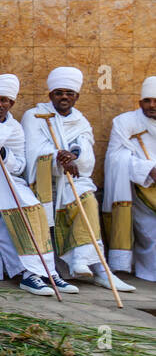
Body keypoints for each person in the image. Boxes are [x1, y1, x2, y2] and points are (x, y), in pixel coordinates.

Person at [0, 73, 76, 296]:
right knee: (14, 218)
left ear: (12, 103)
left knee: (34, 211)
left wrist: (5, 154)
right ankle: (30, 273)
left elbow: (19, 165)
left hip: (8, 183)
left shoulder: (15, 127)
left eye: (4, 100)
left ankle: (45, 271)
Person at [22, 66, 133, 291]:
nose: (64, 97)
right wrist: (55, 157)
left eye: (69, 93)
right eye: (59, 93)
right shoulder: (34, 116)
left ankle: (86, 261)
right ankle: (96, 268)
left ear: (76, 97)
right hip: (44, 182)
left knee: (87, 198)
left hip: (73, 179)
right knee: (69, 199)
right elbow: (32, 152)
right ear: (51, 95)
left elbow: (86, 155)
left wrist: (75, 155)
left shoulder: (81, 121)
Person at [102, 75, 156, 282]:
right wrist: (148, 169)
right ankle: (148, 274)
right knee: (150, 232)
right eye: (147, 101)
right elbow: (116, 158)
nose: (151, 105)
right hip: (139, 189)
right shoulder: (125, 122)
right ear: (140, 102)